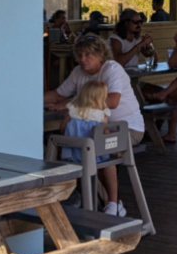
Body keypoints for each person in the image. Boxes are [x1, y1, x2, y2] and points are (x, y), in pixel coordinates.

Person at [46, 34, 144, 166]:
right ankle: (88, 186)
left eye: (88, 54)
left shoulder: (112, 69)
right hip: (93, 128)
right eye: (79, 55)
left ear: (101, 54)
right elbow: (58, 95)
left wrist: (72, 104)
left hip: (126, 128)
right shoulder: (78, 72)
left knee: (89, 151)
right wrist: (33, 101)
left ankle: (95, 186)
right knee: (72, 149)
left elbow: (112, 102)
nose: (82, 59)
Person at [59, 80, 127, 217]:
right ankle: (113, 203)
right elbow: (104, 137)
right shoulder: (102, 116)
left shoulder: (71, 111)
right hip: (96, 156)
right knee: (110, 165)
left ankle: (81, 198)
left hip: (73, 156)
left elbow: (62, 129)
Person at [110, 8, 155, 74]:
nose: (139, 25)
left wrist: (149, 44)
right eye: (136, 22)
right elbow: (119, 62)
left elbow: (152, 58)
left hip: (134, 76)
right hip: (118, 76)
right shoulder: (116, 39)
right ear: (126, 23)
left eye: (141, 22)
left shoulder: (137, 39)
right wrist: (138, 46)